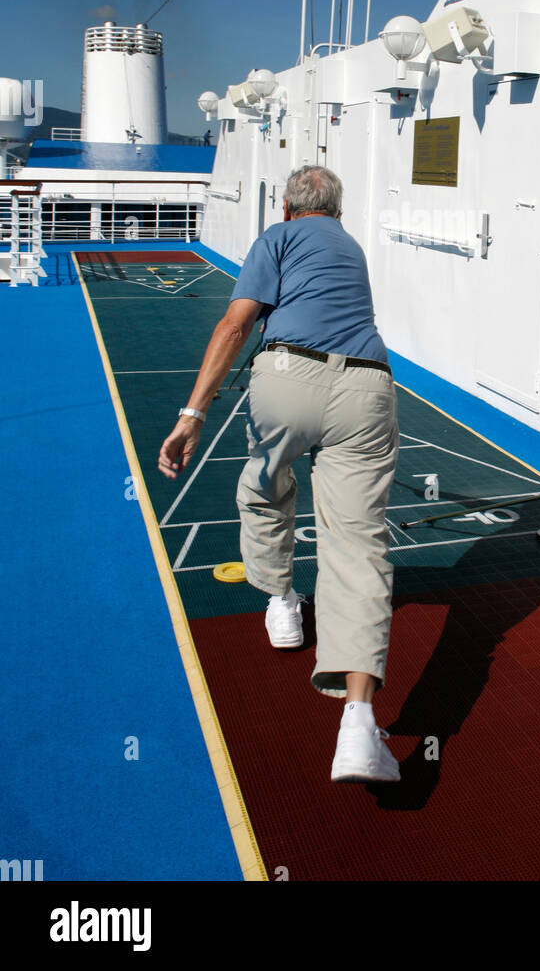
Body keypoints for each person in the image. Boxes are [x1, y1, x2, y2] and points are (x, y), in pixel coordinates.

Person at [157, 164, 401, 781]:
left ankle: (283, 601)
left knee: (264, 488)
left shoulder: (277, 238)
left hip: (287, 379)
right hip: (369, 389)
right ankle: (358, 725)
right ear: (337, 212)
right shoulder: (351, 246)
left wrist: (192, 415)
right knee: (357, 546)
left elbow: (236, 323)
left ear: (290, 208)